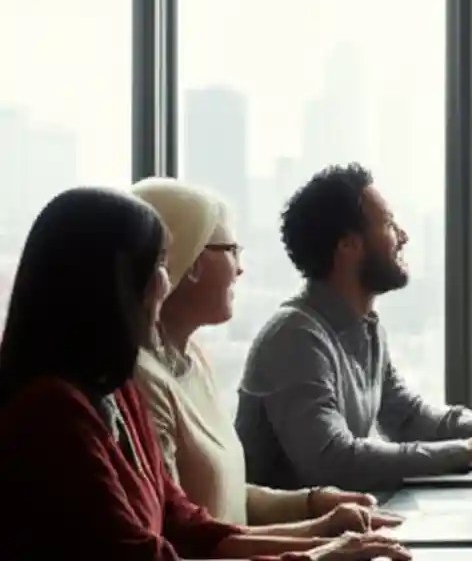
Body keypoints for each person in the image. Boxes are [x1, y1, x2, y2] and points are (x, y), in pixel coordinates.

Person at [0, 186, 407, 561]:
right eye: (158, 264)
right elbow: (149, 555)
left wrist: (324, 541)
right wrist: (316, 554)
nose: (166, 279)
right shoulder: (52, 411)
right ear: (112, 285)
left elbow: (185, 523)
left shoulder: (117, 388)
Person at [236, 163, 472, 492]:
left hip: (345, 530)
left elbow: (407, 418)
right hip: (297, 541)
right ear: (348, 245)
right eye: (390, 224)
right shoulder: (295, 338)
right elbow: (333, 462)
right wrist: (470, 452)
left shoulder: (365, 328)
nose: (403, 236)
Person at [131, 178, 401, 535]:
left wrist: (312, 502)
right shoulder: (141, 381)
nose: (239, 268)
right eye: (230, 250)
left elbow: (224, 498)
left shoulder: (192, 359)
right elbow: (184, 537)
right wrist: (316, 537)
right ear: (190, 261)